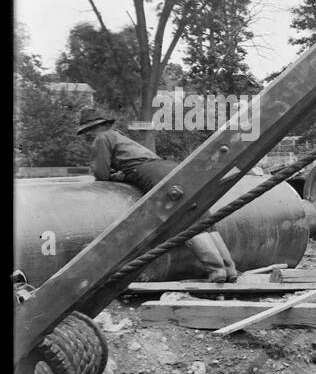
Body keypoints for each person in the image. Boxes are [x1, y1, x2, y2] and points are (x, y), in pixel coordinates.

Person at [77, 107, 238, 282]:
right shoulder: (121, 138)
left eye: (88, 130)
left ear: (98, 127)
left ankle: (217, 271)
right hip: (170, 168)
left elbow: (101, 173)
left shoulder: (102, 138)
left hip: (152, 174)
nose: (88, 135)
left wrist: (115, 176)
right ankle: (230, 269)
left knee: (183, 219)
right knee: (201, 217)